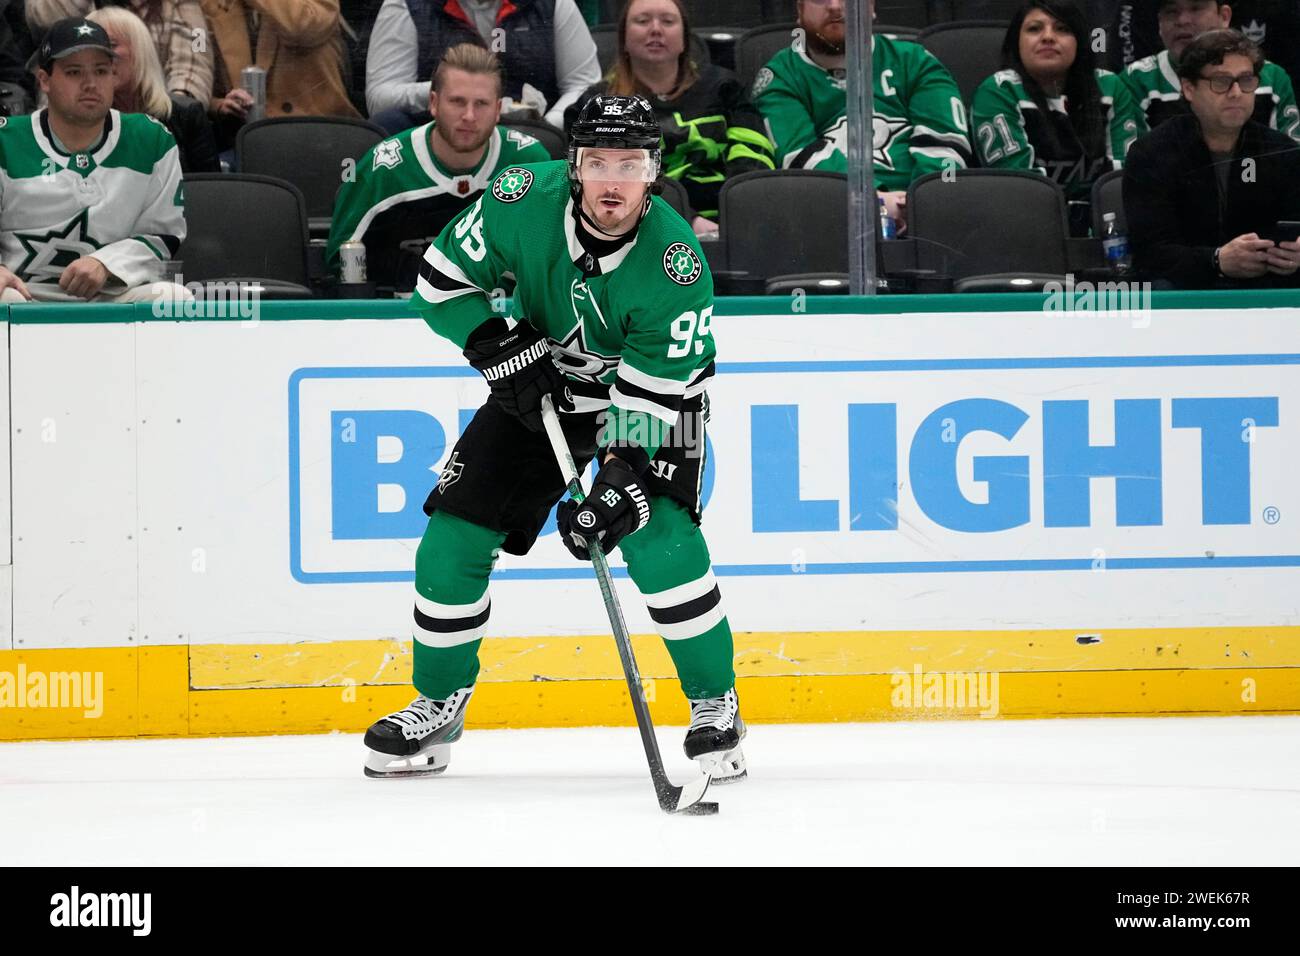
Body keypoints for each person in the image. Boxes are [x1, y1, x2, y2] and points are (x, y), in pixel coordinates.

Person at [362, 95, 744, 785]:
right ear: (572, 165)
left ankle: (716, 703)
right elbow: (440, 285)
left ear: (654, 171)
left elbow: (651, 399)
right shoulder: (518, 197)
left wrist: (620, 483)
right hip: (541, 389)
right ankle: (439, 700)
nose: (611, 182)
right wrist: (493, 344)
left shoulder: (677, 267)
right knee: (453, 536)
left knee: (660, 541)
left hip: (652, 402)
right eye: (596, 161)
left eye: (629, 164)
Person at [327, 44, 551, 290]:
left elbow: (558, 262)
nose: (469, 116)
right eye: (457, 102)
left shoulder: (531, 164)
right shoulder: (382, 170)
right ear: (434, 103)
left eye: (481, 104)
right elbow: (340, 264)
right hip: (397, 319)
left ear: (498, 110)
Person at [0, 17, 189, 303]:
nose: (90, 84)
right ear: (45, 80)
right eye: (74, 72)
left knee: (172, 298)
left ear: (114, 76)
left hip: (114, 291)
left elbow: (163, 235)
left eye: (101, 71)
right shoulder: (5, 140)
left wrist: (107, 264)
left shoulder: (152, 139)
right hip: (24, 292)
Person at [752, 0, 972, 233]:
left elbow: (948, 148)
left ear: (871, 6)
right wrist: (872, 201)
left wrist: (922, 198)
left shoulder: (916, 61)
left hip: (927, 216)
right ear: (799, 10)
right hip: (832, 221)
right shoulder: (779, 76)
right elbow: (799, 158)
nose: (835, 6)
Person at [563, 0, 774, 238]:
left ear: (685, 39)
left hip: (730, 224)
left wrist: (733, 217)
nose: (656, 29)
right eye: (643, 21)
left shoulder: (726, 88)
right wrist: (688, 219)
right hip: (639, 229)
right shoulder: (594, 106)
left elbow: (754, 156)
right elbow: (597, 183)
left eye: (668, 21)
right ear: (624, 40)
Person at [1123, 29, 1300, 288]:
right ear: (1189, 88)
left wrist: (1294, 254)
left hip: (1266, 286)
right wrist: (1216, 260)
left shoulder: (1283, 151)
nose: (1236, 92)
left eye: (1246, 80)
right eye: (1221, 81)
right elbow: (1150, 253)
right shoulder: (1151, 153)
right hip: (1186, 289)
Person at [970, 0, 1147, 232]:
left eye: (1063, 29)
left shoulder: (1110, 87)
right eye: (1034, 29)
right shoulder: (999, 90)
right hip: (1028, 230)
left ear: (1080, 42)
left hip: (1106, 229)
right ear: (1017, 42)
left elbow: (1122, 179)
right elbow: (1023, 187)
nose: (1048, 37)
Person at [365, 0, 600, 134]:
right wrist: (449, 94)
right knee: (388, 123)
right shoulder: (407, 5)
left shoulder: (552, 4)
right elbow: (379, 97)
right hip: (439, 134)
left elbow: (583, 83)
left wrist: (549, 127)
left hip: (530, 131)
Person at [201, 0, 360, 154]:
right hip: (251, 142)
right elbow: (196, 71)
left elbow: (302, 27)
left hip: (323, 135)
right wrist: (220, 105)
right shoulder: (212, 5)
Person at [1124, 0, 1299, 140]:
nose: (1183, 20)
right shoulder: (1135, 81)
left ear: (1224, 17)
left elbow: (1291, 165)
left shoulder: (1272, 78)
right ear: (1159, 23)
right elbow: (1129, 172)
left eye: (1196, 8)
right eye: (1171, 11)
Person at [87, 5, 219, 172]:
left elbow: (196, 56)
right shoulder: (78, 118)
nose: (101, 57)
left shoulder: (187, 11)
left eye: (111, 45)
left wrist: (176, 104)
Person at [25, 0, 213, 106]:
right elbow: (43, 17)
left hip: (153, 112)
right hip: (72, 114)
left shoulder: (185, 7)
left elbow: (197, 57)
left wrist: (174, 112)